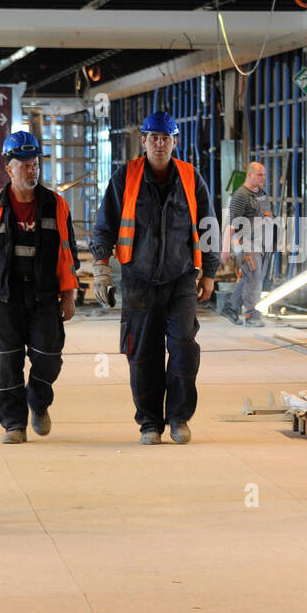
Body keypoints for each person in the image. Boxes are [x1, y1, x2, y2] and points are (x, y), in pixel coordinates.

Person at [91, 111, 220, 445]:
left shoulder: (191, 178)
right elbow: (105, 224)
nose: (160, 144)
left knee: (183, 349)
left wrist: (209, 272)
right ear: (144, 141)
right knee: (143, 354)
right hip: (138, 280)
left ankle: (178, 417)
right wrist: (101, 268)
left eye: (166, 138)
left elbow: (208, 226)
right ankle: (150, 423)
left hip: (181, 279)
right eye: (154, 138)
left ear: (175, 142)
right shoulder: (126, 177)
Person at [0, 131, 79, 443]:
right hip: (6, 295)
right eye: (25, 165)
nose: (33, 170)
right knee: (6, 362)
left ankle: (38, 400)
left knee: (49, 355)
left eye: (36, 164)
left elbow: (67, 253)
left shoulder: (56, 205)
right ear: (9, 169)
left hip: (44, 295)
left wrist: (69, 295)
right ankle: (13, 424)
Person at [220, 161, 275, 327]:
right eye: (259, 175)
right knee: (255, 278)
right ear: (249, 175)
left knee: (250, 277)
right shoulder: (240, 196)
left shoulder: (262, 193)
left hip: (263, 244)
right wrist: (225, 249)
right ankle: (251, 315)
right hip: (247, 244)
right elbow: (231, 224)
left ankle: (231, 307)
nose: (263, 178)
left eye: (264, 174)